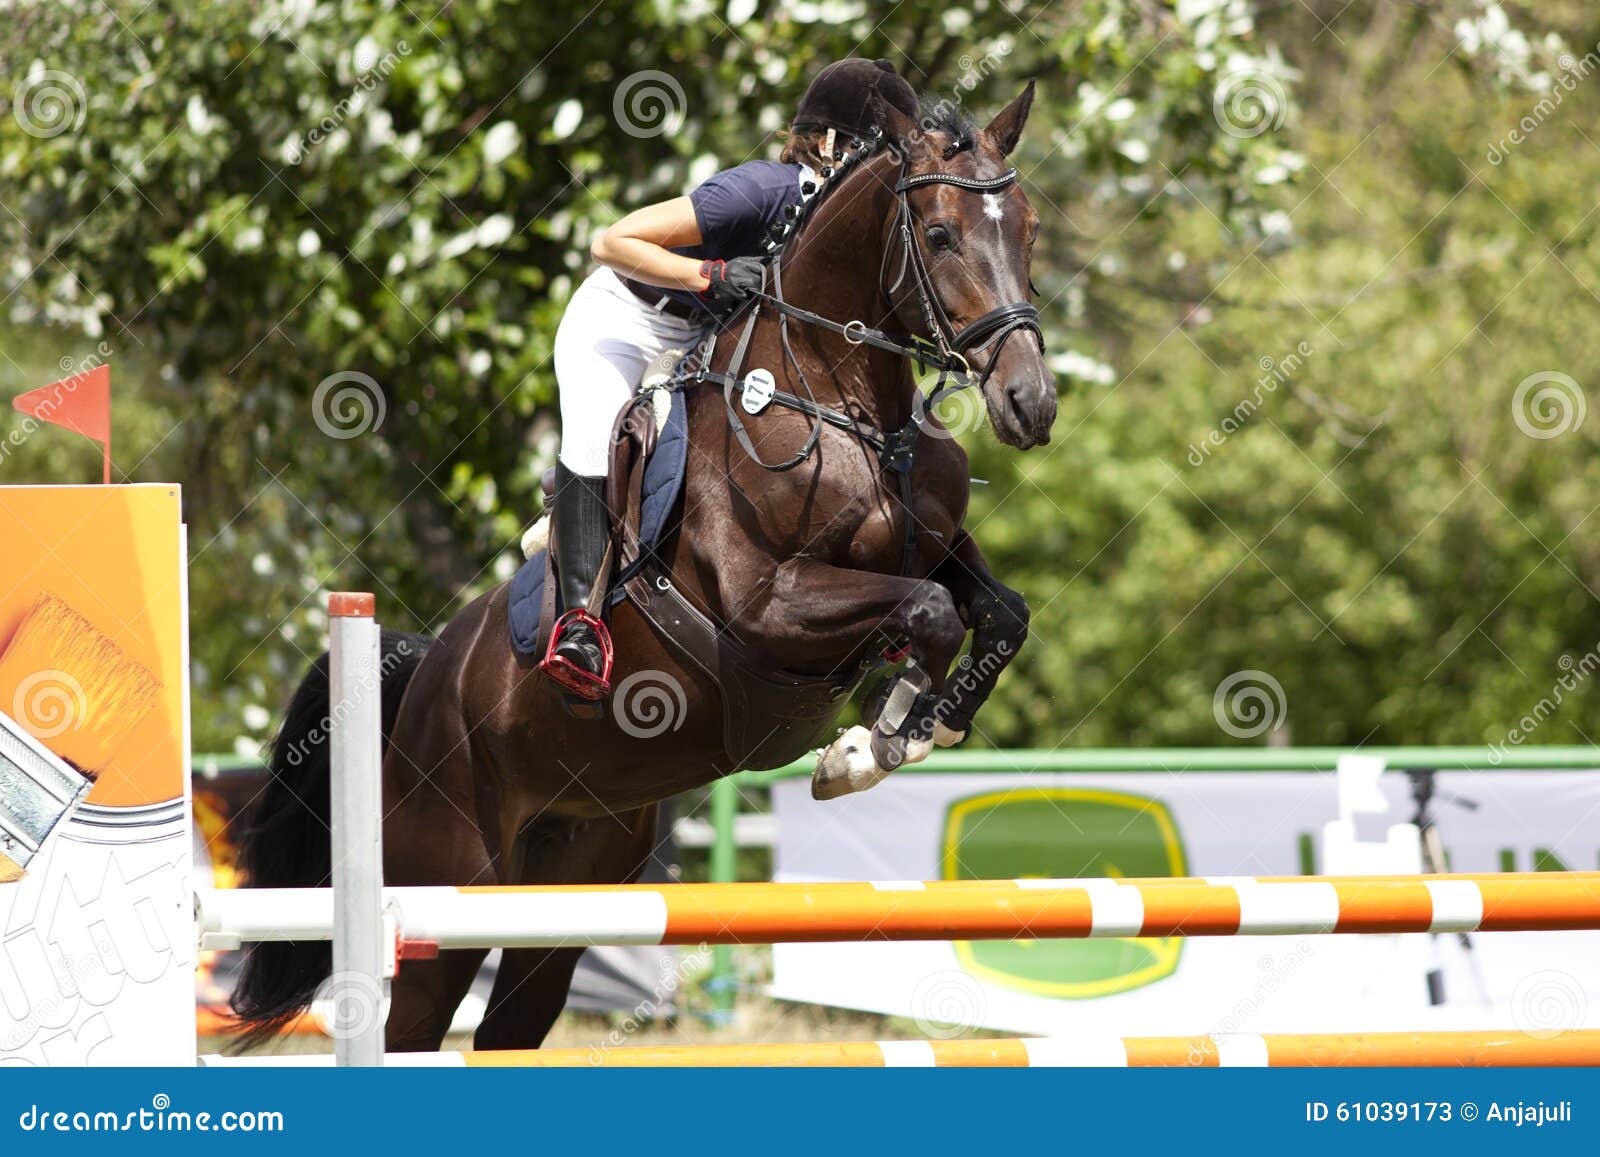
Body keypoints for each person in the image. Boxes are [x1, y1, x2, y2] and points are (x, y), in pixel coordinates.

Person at [542, 57, 921, 702]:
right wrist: (708, 276)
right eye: (875, 151)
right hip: (625, 319)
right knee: (592, 434)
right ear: (828, 145)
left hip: (704, 335)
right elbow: (613, 241)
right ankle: (580, 621)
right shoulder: (764, 189)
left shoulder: (843, 228)